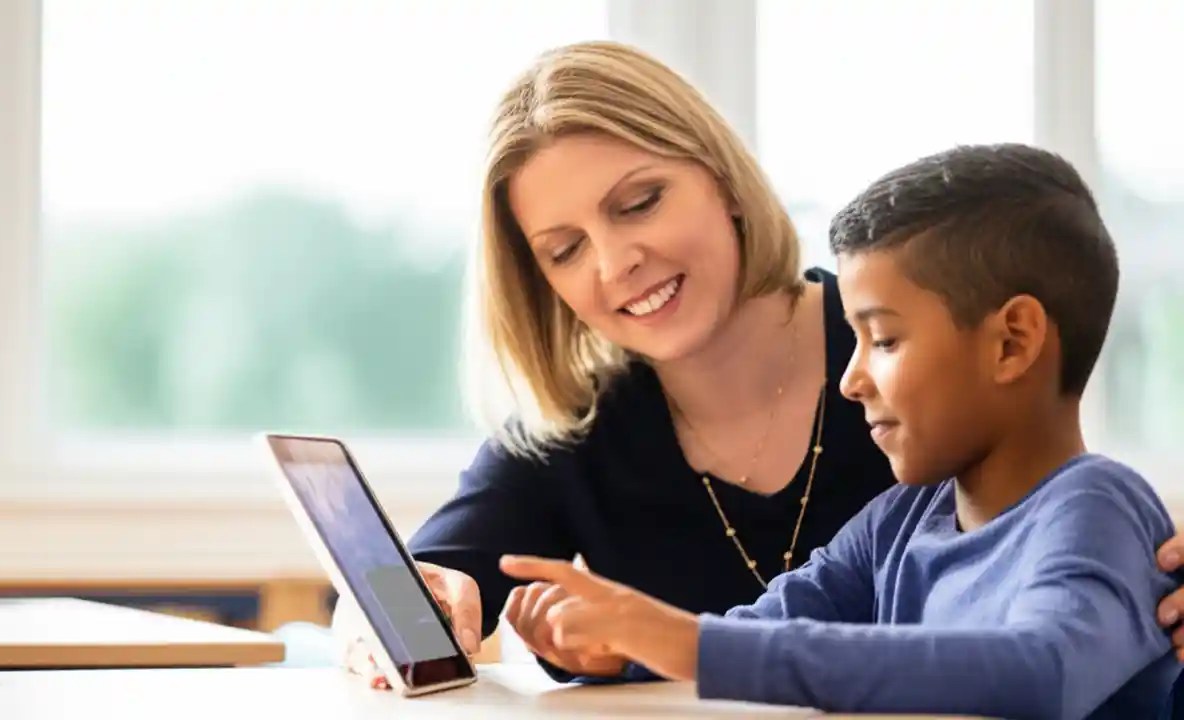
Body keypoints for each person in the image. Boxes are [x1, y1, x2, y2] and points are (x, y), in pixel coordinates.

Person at [339, 39, 1184, 685]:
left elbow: (1045, 638)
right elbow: (428, 577)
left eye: (640, 203)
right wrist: (391, 610)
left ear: (721, 179)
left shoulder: (933, 380)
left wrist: (673, 642)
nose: (615, 263)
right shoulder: (895, 516)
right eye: (564, 250)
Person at [500, 143, 1180, 718]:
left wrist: (691, 647)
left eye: (883, 340)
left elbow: (1039, 671)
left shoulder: (1096, 508)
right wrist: (625, 648)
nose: (851, 380)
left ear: (1012, 343)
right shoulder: (899, 522)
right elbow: (758, 632)